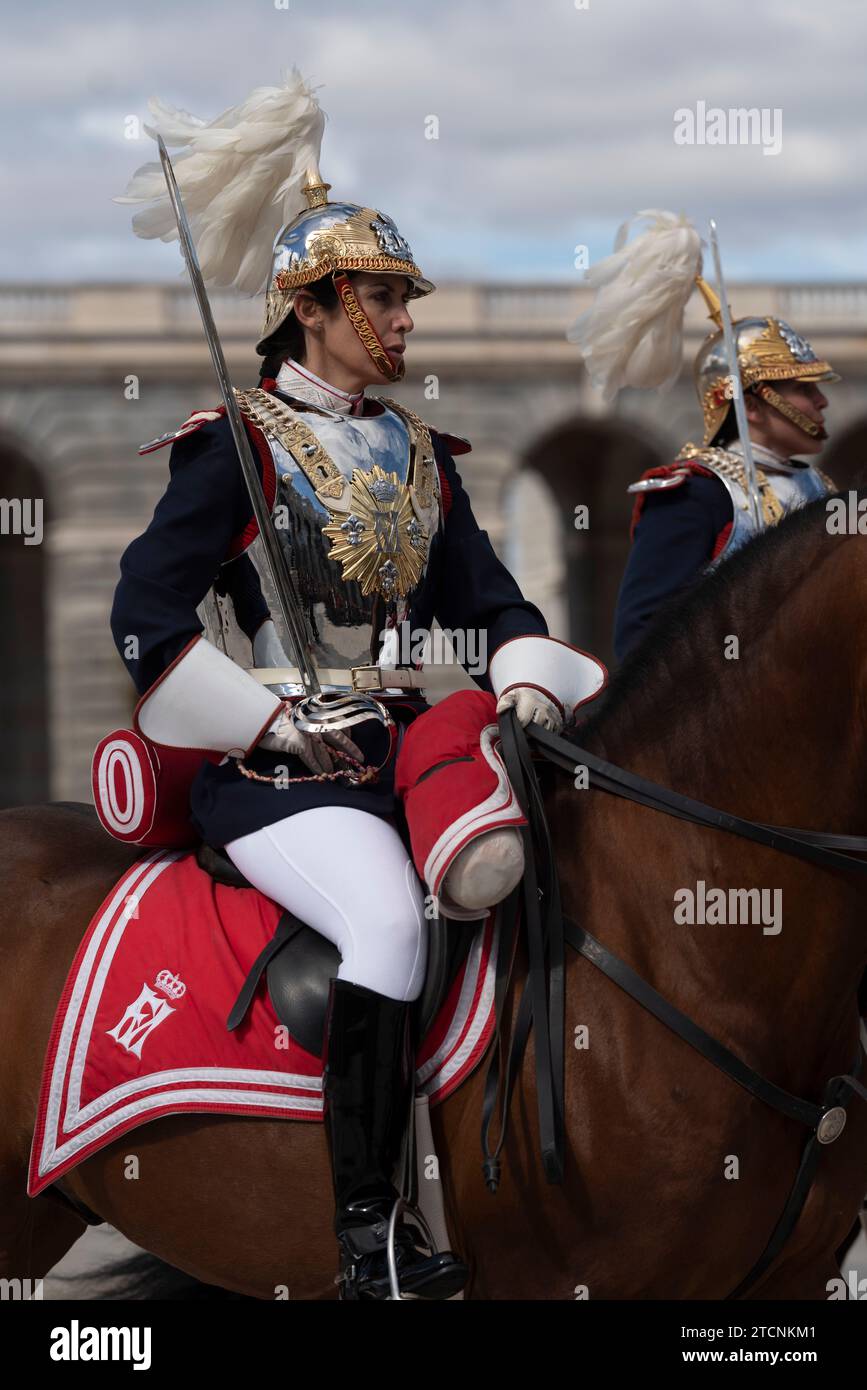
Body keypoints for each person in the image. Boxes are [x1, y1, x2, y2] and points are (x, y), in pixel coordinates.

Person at [109, 73, 603, 1299]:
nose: (404, 321)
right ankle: (369, 1237)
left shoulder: (420, 454)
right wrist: (270, 713)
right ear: (317, 308)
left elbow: (494, 604)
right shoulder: (234, 443)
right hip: (271, 774)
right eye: (384, 298)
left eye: (402, 299)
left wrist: (529, 681)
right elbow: (145, 618)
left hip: (398, 749)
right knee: (388, 918)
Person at [567, 211, 839, 662]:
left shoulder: (820, 487)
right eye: (802, 389)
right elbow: (644, 639)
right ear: (750, 404)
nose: (821, 402)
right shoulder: (695, 494)